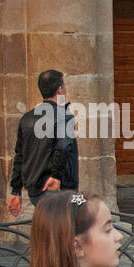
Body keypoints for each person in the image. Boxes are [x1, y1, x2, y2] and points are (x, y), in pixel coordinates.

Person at [8, 70, 78, 217]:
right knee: (86, 209)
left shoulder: (27, 118)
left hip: (36, 191)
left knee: (81, 207)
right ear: (60, 88)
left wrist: (16, 191)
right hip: (57, 189)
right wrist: (56, 176)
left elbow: (19, 156)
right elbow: (64, 146)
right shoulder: (63, 116)